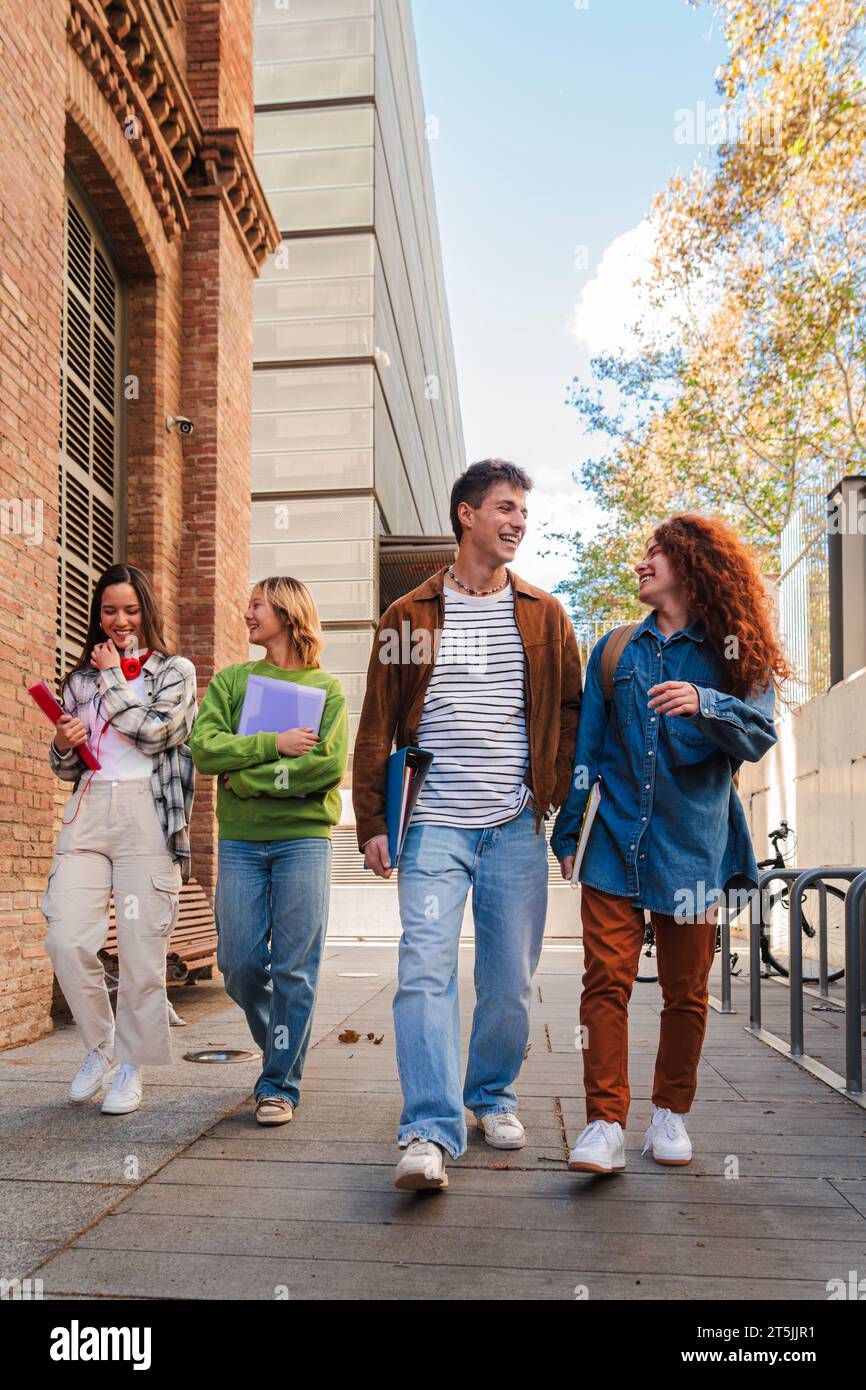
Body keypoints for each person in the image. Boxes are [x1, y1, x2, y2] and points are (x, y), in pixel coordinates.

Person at [354, 459, 583, 1190]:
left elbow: (572, 722)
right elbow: (375, 726)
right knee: (423, 971)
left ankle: (490, 1095)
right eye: (506, 508)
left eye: (523, 512)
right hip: (432, 829)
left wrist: (567, 816)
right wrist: (372, 821)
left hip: (515, 826)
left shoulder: (546, 616)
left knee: (509, 983)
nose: (517, 522)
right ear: (466, 514)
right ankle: (427, 1128)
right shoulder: (409, 616)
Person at [552, 513, 789, 1173]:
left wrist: (705, 702)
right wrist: (569, 829)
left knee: (686, 990)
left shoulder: (735, 647)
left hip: (693, 845)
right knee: (605, 982)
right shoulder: (614, 651)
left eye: (654, 552)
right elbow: (590, 752)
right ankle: (603, 1124)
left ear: (690, 563)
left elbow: (761, 733)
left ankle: (670, 1115)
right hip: (614, 842)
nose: (641, 563)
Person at [190, 576, 348, 1126]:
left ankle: (279, 1082)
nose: (246, 613)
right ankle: (284, 1046)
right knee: (237, 963)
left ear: (286, 611)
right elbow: (206, 750)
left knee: (296, 970)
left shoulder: (327, 690)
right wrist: (272, 745)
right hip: (240, 844)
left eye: (255, 604)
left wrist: (249, 780)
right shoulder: (233, 681)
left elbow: (326, 768)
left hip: (303, 841)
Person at [42, 564, 197, 1115]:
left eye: (130, 610)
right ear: (97, 614)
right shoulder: (79, 679)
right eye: (110, 611)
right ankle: (101, 1047)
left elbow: (156, 734)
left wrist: (112, 680)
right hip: (88, 810)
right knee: (67, 938)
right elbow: (68, 767)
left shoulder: (175, 671)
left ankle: (133, 1064)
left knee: (140, 950)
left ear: (146, 611)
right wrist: (65, 742)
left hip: (147, 814)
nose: (120, 621)